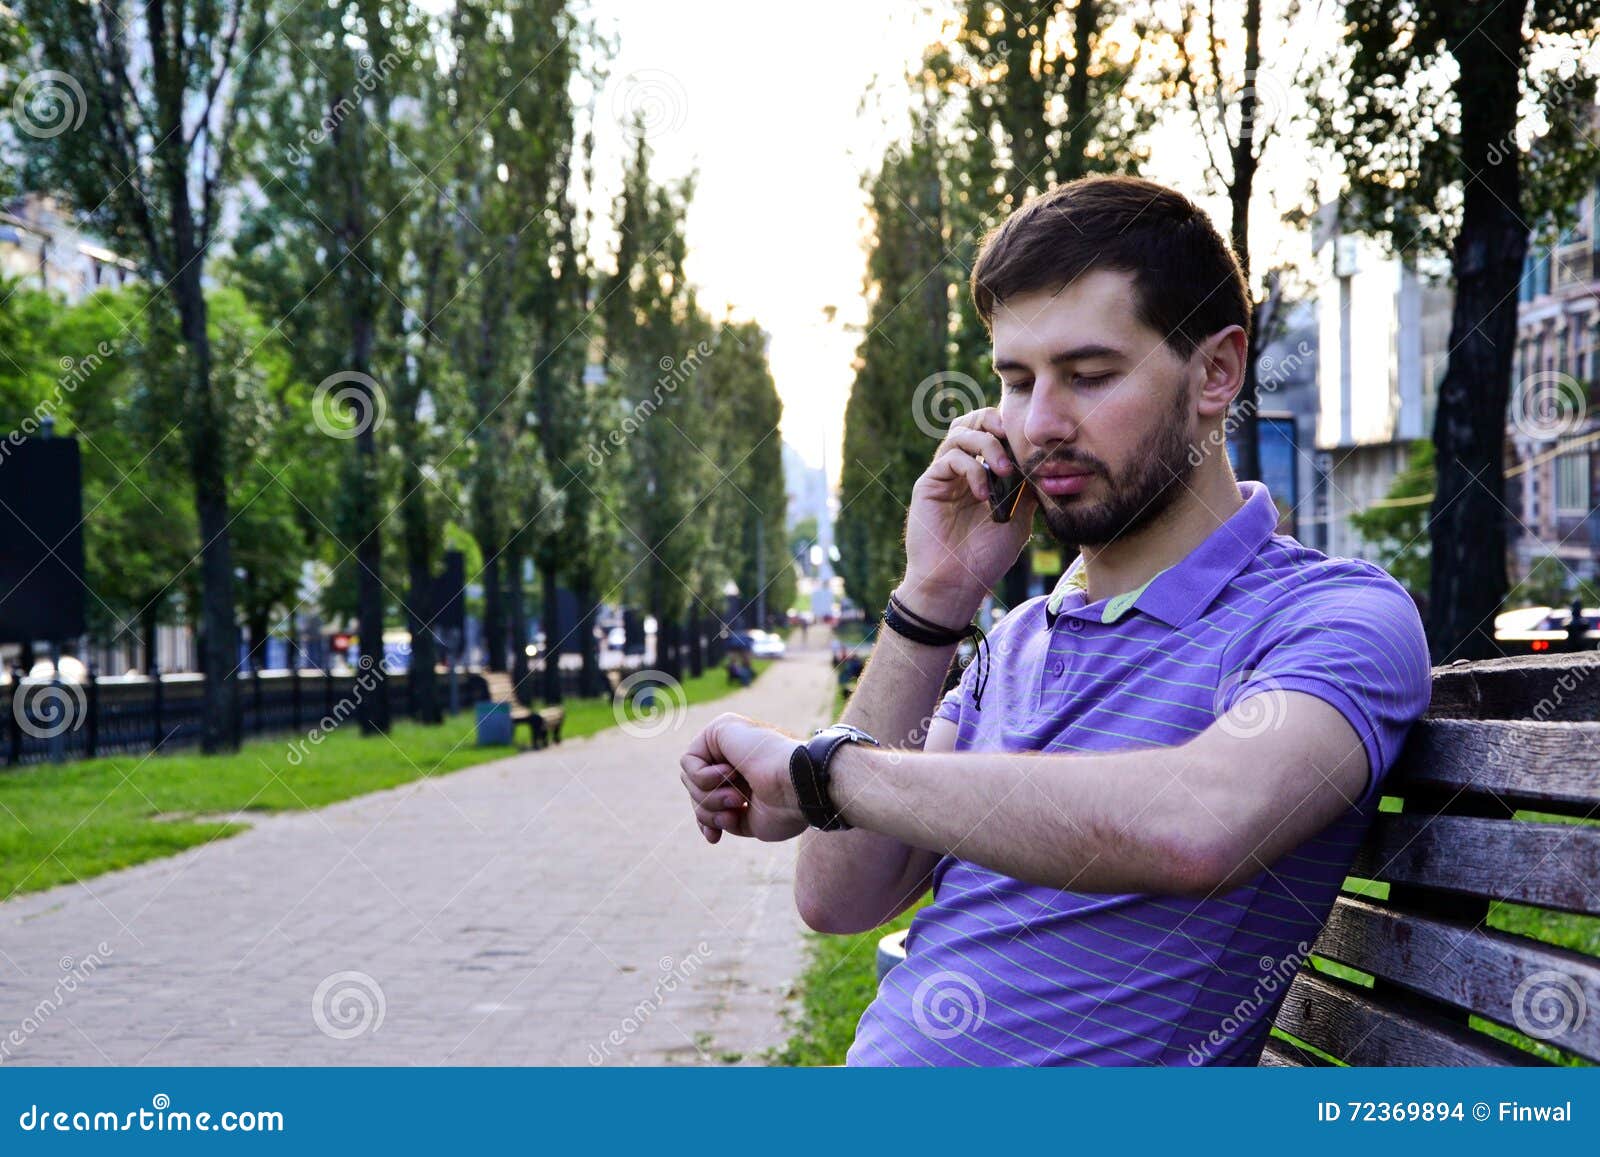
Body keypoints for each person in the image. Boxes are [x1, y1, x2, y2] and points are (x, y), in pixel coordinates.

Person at [677, 174, 1432, 1066]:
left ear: (1217, 371)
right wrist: (935, 599)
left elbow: (1200, 822)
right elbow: (840, 896)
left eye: (1089, 375)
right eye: (1015, 379)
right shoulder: (1018, 638)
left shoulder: (1335, 617)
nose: (1039, 424)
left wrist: (823, 774)